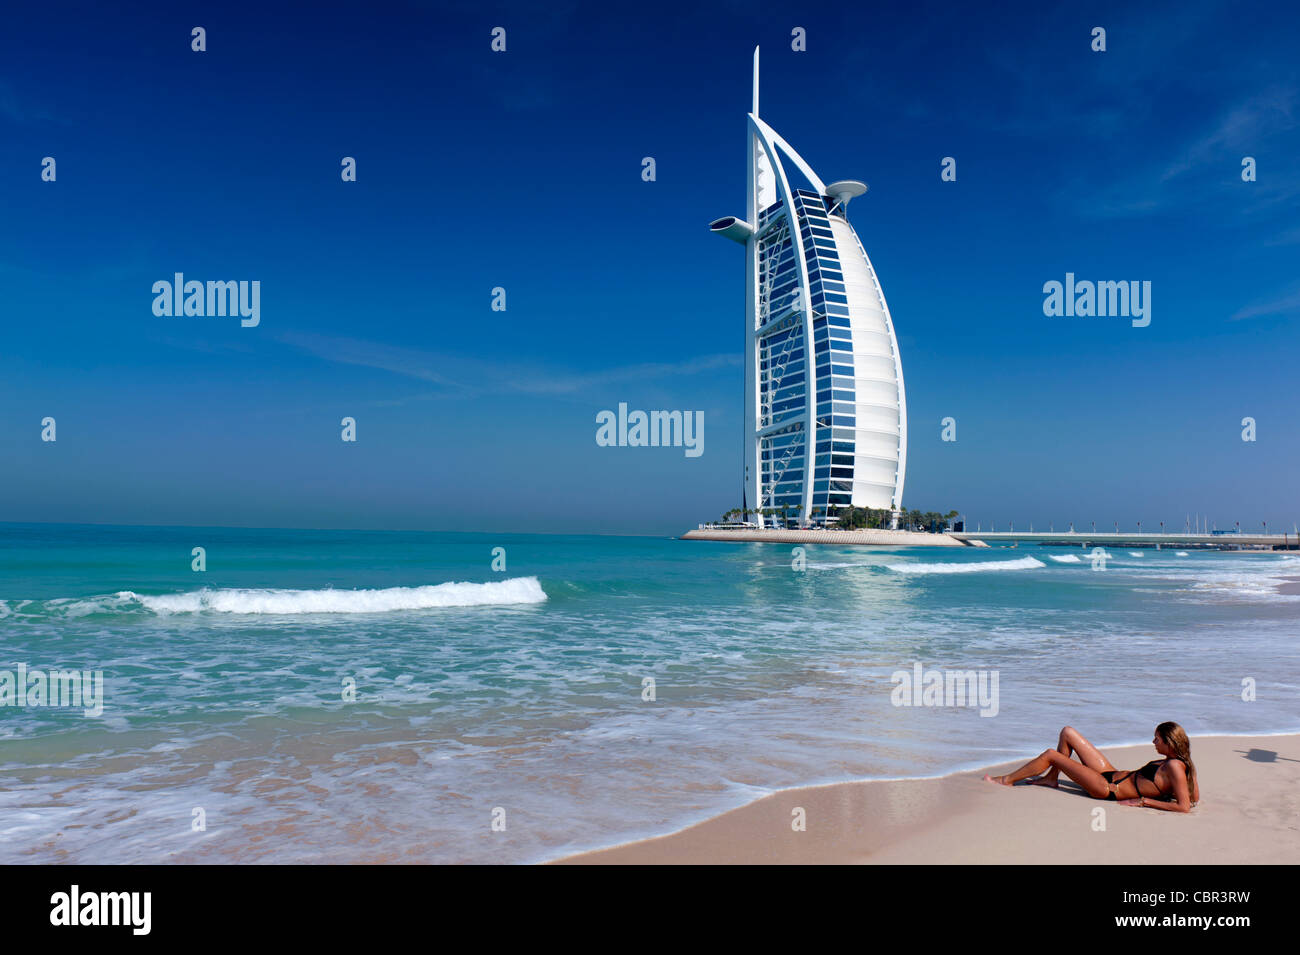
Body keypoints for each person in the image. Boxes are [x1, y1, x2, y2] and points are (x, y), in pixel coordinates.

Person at [983, 721, 1199, 811]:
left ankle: (1007, 780)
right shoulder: (1183, 763)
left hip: (1106, 789)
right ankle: (1051, 778)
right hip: (1111, 774)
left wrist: (1145, 800)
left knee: (1051, 754)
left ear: (1169, 743)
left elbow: (1185, 806)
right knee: (1068, 732)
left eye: (1157, 739)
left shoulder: (1176, 767)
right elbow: (1195, 797)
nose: (1153, 743)